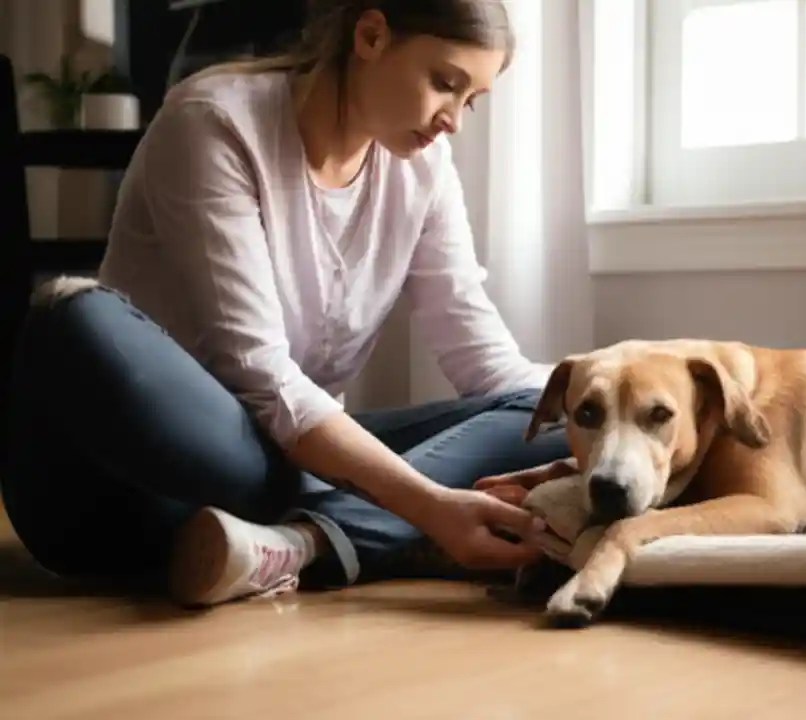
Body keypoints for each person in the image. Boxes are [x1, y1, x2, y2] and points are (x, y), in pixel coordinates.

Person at [1, 0, 568, 607]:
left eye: (471, 99)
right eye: (445, 83)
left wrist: (607, 395)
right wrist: (427, 501)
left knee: (550, 411)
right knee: (74, 318)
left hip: (269, 480)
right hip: (133, 485)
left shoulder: (424, 170)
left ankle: (299, 545)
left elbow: (488, 367)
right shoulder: (214, 120)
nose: (453, 119)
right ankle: (367, 529)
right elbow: (262, 376)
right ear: (371, 36)